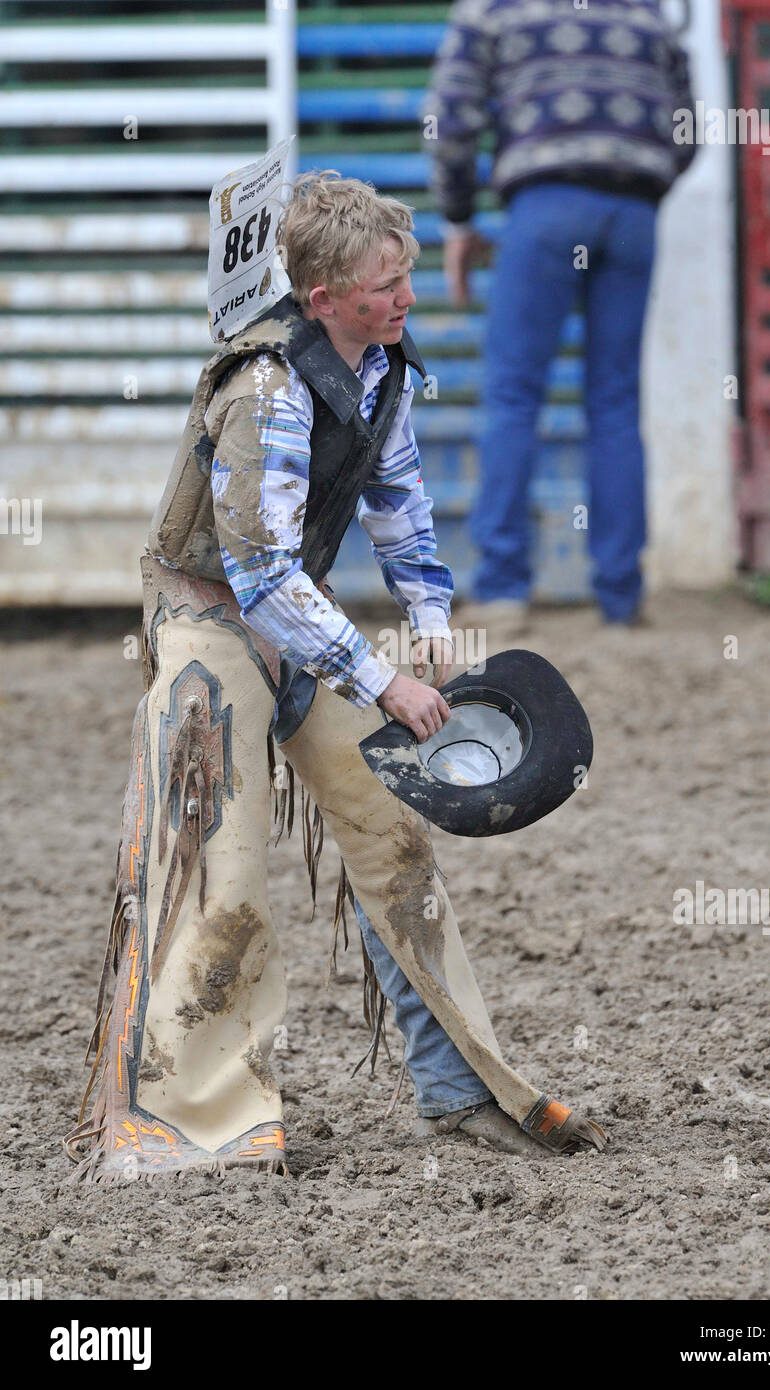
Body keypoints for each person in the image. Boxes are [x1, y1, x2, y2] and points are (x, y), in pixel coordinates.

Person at [63, 171, 607, 1181]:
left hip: (291, 614)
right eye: (384, 284)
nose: (405, 297)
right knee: (215, 870)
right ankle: (187, 1128)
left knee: (392, 835)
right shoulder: (266, 388)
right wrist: (382, 678)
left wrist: (432, 616)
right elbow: (257, 569)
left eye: (403, 276)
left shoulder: (381, 368)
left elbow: (397, 502)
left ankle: (462, 1090)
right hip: (207, 617)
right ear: (322, 299)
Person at [425, 0, 698, 630]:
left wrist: (461, 217)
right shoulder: (649, 11)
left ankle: (502, 589)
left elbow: (450, 114)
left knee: (515, 392)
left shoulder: (493, 7)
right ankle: (621, 595)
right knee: (616, 399)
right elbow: (687, 131)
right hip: (634, 214)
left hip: (544, 206)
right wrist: (635, 182)